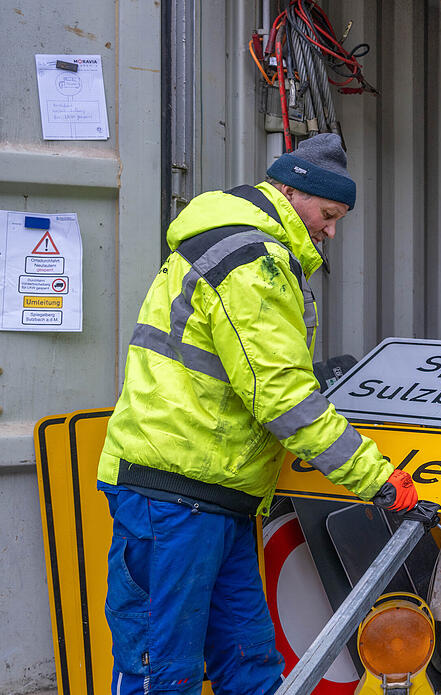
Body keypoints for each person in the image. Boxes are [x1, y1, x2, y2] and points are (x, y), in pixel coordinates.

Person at [97, 133, 419, 695]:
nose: (331, 230)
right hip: (173, 495)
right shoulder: (251, 258)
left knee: (249, 665)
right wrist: (376, 478)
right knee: (161, 670)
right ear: (292, 193)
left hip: (216, 496)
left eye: (339, 218)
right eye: (327, 213)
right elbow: (281, 394)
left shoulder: (256, 255)